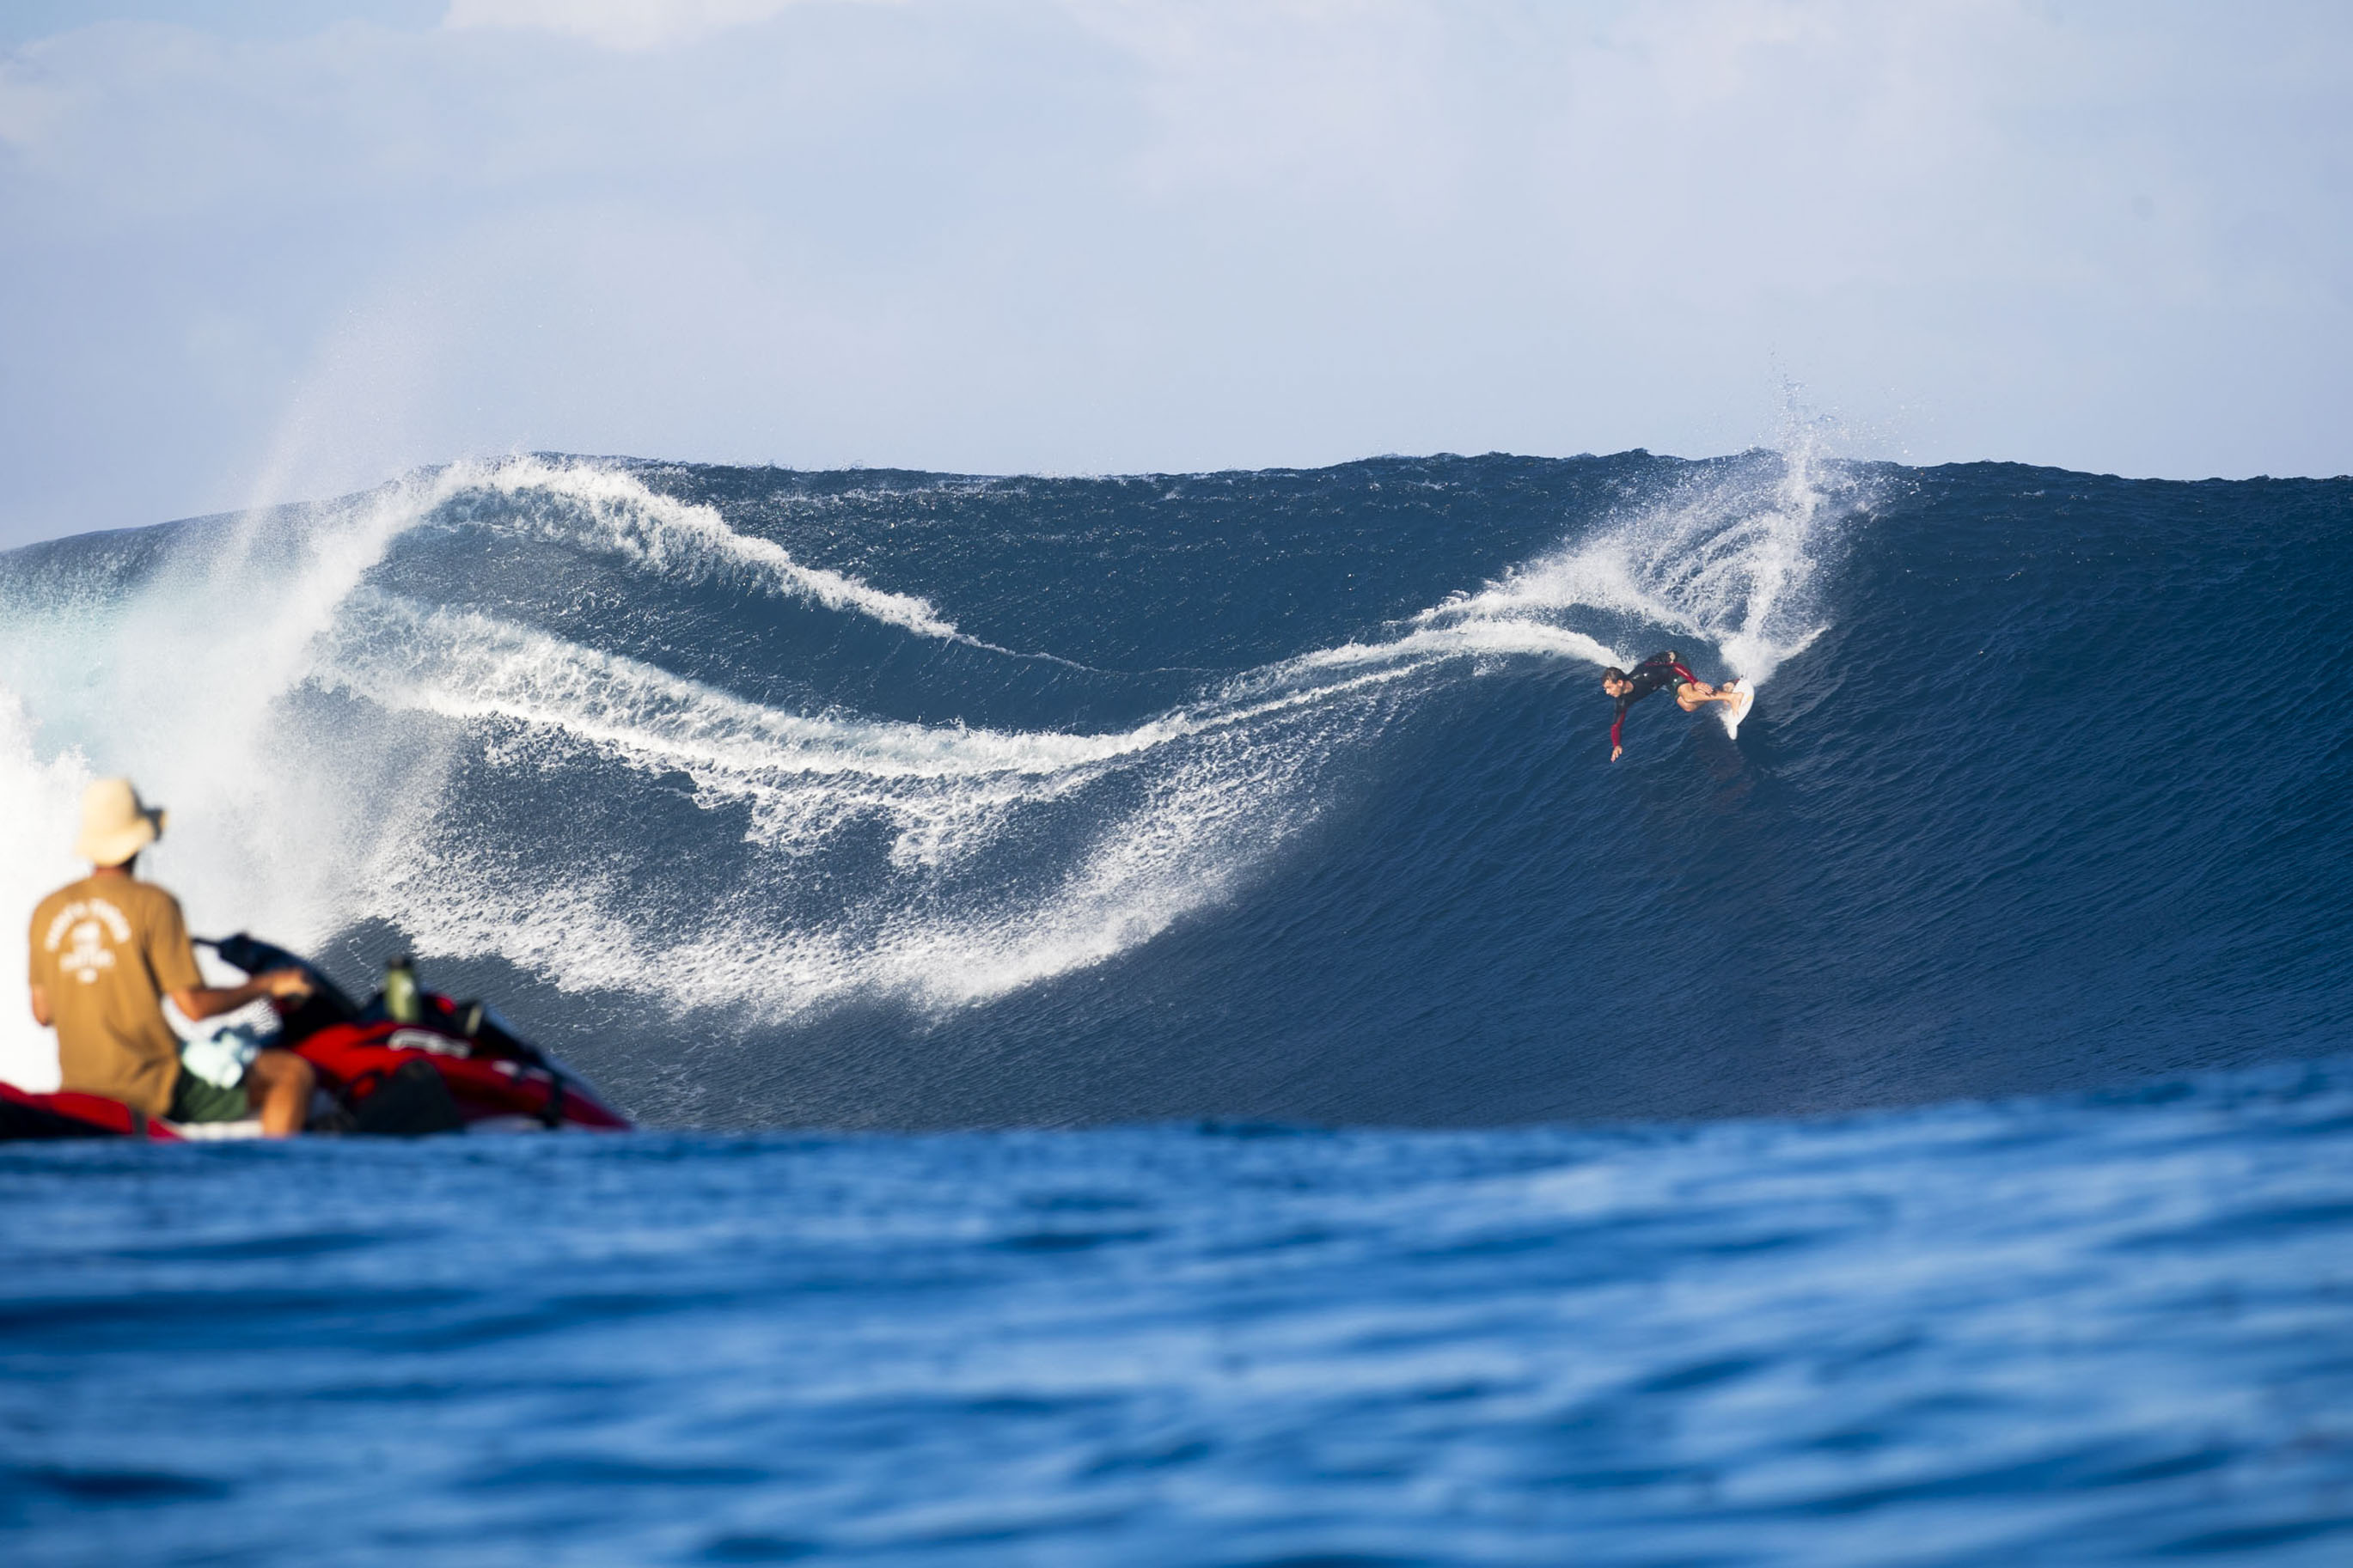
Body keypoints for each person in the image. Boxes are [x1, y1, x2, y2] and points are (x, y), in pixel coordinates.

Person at [27, 778, 316, 1136]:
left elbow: (43, 1012)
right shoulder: (154, 904)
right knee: (292, 1074)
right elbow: (194, 1008)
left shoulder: (48, 911)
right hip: (151, 1085)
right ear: (138, 839)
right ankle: (276, 1186)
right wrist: (268, 984)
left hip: (79, 1087)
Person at [1602, 650, 1744, 761]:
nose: (1607, 692)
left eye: (1609, 688)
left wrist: (1695, 682)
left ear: (1620, 683)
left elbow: (1674, 667)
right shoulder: (1622, 700)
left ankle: (1733, 697)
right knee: (1689, 706)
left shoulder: (1645, 675)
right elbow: (1616, 726)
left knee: (1689, 695)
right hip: (1665, 678)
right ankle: (1724, 688)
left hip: (1674, 663)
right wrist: (1617, 745)